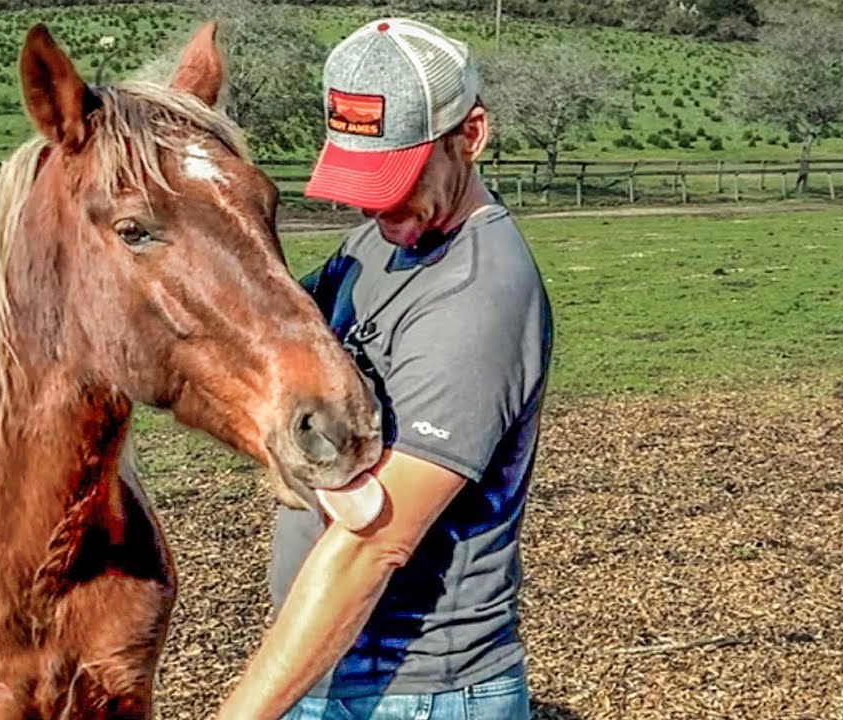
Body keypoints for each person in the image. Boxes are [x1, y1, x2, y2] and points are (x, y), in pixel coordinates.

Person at [215, 18, 554, 720]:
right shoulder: (375, 244)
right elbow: (265, 338)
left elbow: (374, 546)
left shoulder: (477, 294)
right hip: (335, 672)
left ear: (472, 135)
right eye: (361, 181)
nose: (375, 204)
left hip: (423, 694)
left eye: (396, 179)